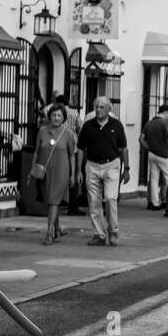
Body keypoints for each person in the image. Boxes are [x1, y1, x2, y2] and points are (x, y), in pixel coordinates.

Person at [76, 96, 129, 246]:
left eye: (102, 107)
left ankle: (113, 231)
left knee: (110, 198)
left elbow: (124, 148)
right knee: (94, 201)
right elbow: (80, 148)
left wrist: (127, 169)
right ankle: (99, 234)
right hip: (92, 165)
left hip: (111, 164)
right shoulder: (88, 126)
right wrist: (79, 170)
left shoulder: (116, 125)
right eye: (96, 107)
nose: (98, 110)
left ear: (109, 109)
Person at [31, 103, 77, 245]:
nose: (56, 118)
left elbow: (72, 155)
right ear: (49, 116)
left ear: (64, 118)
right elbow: (37, 151)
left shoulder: (68, 134)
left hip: (61, 171)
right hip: (45, 171)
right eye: (53, 115)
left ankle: (49, 233)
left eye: (59, 116)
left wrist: (73, 174)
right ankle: (57, 228)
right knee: (51, 201)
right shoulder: (42, 131)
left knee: (53, 201)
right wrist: (33, 169)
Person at [140, 104, 168, 212]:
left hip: (152, 154)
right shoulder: (165, 124)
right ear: (166, 112)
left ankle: (154, 202)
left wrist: (149, 147)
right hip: (164, 154)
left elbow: (141, 139)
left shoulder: (149, 123)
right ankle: (167, 201)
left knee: (153, 179)